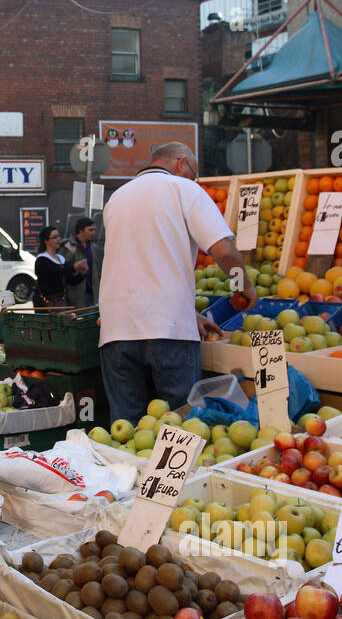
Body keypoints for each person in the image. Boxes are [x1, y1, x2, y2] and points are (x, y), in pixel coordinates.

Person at [97, 142, 258, 422]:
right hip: (168, 333)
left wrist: (189, 313)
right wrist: (243, 285)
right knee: (181, 423)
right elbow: (223, 250)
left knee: (127, 428)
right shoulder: (185, 189)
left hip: (115, 331)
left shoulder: (117, 198)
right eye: (193, 173)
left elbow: (136, 265)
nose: (194, 179)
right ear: (181, 163)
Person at [33, 227, 86, 309]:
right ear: (46, 241)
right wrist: (74, 267)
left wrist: (82, 274)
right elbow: (53, 275)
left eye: (58, 236)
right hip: (46, 304)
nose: (58, 239)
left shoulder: (61, 258)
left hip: (62, 302)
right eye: (55, 237)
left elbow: (70, 281)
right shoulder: (41, 259)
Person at [63, 216, 103, 308]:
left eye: (95, 230)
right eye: (90, 230)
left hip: (93, 292)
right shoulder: (68, 245)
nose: (94, 233)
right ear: (81, 231)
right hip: (76, 293)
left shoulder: (94, 247)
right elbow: (62, 267)